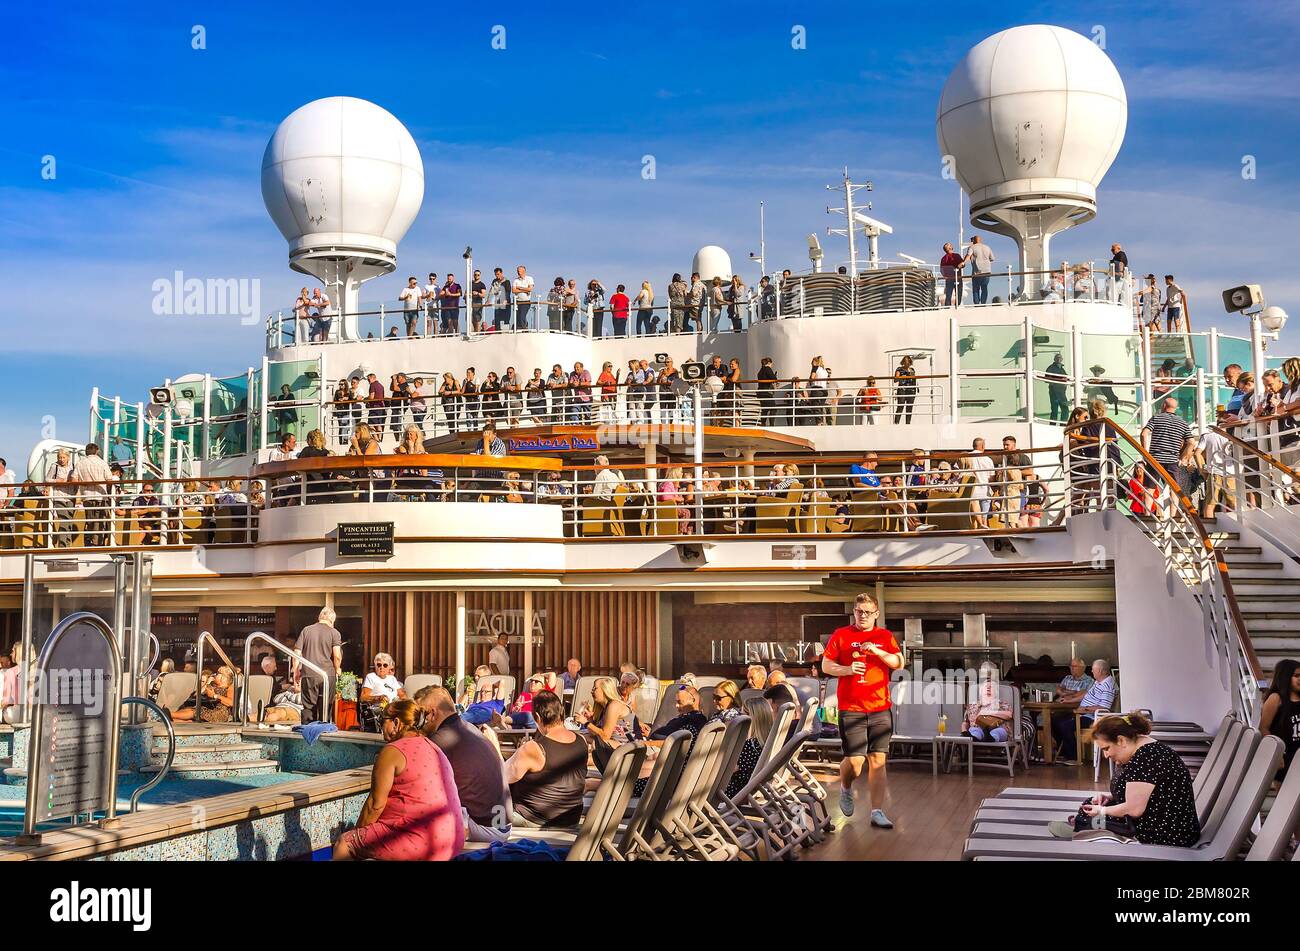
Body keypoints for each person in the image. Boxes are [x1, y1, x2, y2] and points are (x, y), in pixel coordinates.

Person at [333, 700, 464, 860]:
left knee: (345, 843)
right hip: (451, 841)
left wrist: (358, 834)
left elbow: (375, 805)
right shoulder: (434, 747)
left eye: (382, 720)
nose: (380, 725)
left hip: (420, 842)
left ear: (396, 722)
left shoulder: (393, 750)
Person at [1048, 712, 1200, 846]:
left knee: (1097, 814)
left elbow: (1134, 809)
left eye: (1106, 748)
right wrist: (1109, 797)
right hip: (1159, 820)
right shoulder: (1144, 752)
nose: (1106, 755)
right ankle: (1084, 827)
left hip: (1166, 834)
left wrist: (1102, 810)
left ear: (1121, 740)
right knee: (1091, 804)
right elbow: (1150, 793)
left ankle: (1082, 829)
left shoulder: (1145, 758)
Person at [821, 592, 902, 827]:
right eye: (859, 611)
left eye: (867, 612)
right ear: (854, 612)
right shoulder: (841, 635)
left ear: (876, 614)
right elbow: (826, 665)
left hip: (880, 708)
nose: (863, 615)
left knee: (878, 760)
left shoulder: (884, 636)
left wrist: (878, 651)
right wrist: (846, 669)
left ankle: (877, 811)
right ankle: (846, 786)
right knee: (855, 762)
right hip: (851, 708)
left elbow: (899, 662)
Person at [494, 690, 588, 829]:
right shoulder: (582, 741)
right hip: (570, 819)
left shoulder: (535, 748)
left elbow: (500, 777)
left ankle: (495, 837)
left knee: (491, 804)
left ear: (537, 717)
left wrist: (494, 744)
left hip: (534, 820)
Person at [1052, 659, 1117, 761]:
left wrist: (1085, 709)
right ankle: (1065, 751)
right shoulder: (1098, 682)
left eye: (1093, 670)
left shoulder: (1107, 686)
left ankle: (1073, 757)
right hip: (1083, 714)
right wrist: (1071, 700)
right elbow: (1086, 695)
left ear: (1100, 671)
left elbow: (1104, 708)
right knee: (1055, 720)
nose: (1091, 672)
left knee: (1065, 725)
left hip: (1093, 717)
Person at [1140, 396, 1195, 501]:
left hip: (1155, 459)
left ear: (1164, 405)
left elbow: (1144, 434)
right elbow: (1191, 442)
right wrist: (1183, 458)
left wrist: (1145, 453)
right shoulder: (1182, 422)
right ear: (1175, 408)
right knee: (1174, 490)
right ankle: (1173, 515)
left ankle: (1148, 515)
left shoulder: (1156, 418)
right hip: (1172, 460)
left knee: (1150, 488)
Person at [296, 607, 342, 724]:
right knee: (326, 706)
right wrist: (338, 669)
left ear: (319, 617)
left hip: (309, 673)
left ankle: (306, 734)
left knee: (308, 707)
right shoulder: (334, 632)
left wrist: (296, 671)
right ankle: (323, 733)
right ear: (332, 621)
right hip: (327, 675)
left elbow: (296, 652)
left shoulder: (306, 630)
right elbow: (337, 656)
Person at [725, 696, 773, 798]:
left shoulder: (749, 746)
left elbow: (729, 770)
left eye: (741, 715)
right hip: (751, 789)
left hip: (734, 792)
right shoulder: (765, 742)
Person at [1260, 659, 1300, 778]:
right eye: (1296, 675)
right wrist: (1276, 753)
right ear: (1285, 677)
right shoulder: (1276, 699)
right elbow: (1263, 728)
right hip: (1285, 759)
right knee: (1287, 795)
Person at [70, 443, 115, 547]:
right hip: (101, 496)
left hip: (87, 496)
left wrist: (85, 483)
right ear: (97, 450)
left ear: (86, 451)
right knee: (100, 521)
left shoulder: (80, 463)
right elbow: (109, 480)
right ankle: (97, 543)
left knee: (90, 520)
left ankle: (91, 542)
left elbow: (74, 479)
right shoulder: (102, 463)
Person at [960, 668, 1013, 742]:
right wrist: (964, 732)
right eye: (986, 687)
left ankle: (991, 738)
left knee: (999, 732)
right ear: (981, 692)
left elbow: (1009, 715)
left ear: (996, 692)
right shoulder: (972, 706)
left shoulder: (1002, 704)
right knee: (975, 730)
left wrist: (987, 712)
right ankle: (974, 738)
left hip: (998, 729)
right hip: (978, 728)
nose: (988, 688)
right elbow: (965, 722)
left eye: (991, 687)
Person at [170, 666, 235, 722]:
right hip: (210, 709)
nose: (215, 674)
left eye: (217, 673)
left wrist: (215, 696)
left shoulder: (229, 687)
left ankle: (168, 714)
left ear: (223, 677)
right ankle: (168, 718)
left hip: (220, 713)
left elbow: (231, 703)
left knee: (197, 711)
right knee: (189, 709)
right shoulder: (214, 685)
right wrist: (207, 683)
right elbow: (199, 693)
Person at [963, 235, 995, 305]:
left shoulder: (972, 247)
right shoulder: (987, 247)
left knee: (976, 289)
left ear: (974, 240)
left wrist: (963, 263)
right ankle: (983, 303)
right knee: (984, 288)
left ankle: (977, 304)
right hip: (987, 271)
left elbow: (968, 256)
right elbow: (992, 258)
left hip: (977, 272)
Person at [1045, 353, 1070, 423]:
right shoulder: (1051, 368)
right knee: (1055, 410)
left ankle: (1063, 425)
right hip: (1054, 393)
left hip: (1061, 393)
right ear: (1054, 359)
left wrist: (1065, 382)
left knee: (1065, 409)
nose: (1059, 359)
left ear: (1062, 359)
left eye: (1060, 358)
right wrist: (1055, 384)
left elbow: (1066, 378)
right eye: (1057, 357)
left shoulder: (1062, 369)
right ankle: (1053, 426)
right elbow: (1047, 379)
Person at [893, 355, 917, 425]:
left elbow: (914, 379)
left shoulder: (912, 370)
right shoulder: (899, 369)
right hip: (902, 390)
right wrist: (901, 377)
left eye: (908, 361)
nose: (907, 363)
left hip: (911, 390)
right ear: (903, 362)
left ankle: (908, 423)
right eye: (905, 361)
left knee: (909, 408)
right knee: (900, 406)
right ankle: (896, 423)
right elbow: (895, 380)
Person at [939, 241, 964, 306]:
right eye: (949, 245)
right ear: (949, 248)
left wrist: (945, 276)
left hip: (949, 278)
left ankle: (948, 307)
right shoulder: (956, 256)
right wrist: (961, 265)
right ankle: (957, 305)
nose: (951, 245)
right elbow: (962, 264)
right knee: (958, 293)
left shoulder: (943, 258)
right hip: (957, 277)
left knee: (948, 294)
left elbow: (942, 270)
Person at [511, 265, 534, 330]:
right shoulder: (515, 280)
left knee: (522, 316)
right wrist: (525, 289)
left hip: (526, 301)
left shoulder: (529, 278)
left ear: (524, 271)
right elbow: (513, 290)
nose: (518, 272)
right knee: (518, 317)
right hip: (517, 301)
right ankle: (520, 328)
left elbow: (530, 289)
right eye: (517, 271)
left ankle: (524, 328)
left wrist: (519, 287)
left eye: (519, 271)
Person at [489, 266, 512, 331]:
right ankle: (497, 332)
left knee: (506, 318)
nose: (497, 276)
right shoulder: (494, 281)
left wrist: (506, 300)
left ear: (501, 273)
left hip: (505, 302)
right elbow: (491, 291)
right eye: (496, 274)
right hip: (497, 302)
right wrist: (488, 300)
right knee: (497, 318)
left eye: (498, 274)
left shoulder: (507, 281)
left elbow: (508, 291)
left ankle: (506, 332)